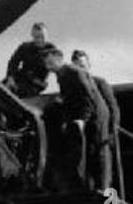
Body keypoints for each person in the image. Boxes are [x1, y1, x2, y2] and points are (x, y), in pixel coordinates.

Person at [44, 47, 100, 188]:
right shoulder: (62, 75)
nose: (47, 66)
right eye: (46, 63)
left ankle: (88, 186)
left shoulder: (74, 72)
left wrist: (83, 119)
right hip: (75, 119)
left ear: (59, 59)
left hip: (88, 119)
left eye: (50, 62)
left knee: (88, 155)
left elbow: (88, 96)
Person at [73, 50, 119, 192]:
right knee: (88, 176)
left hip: (102, 135)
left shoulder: (99, 83)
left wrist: (112, 133)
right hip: (86, 137)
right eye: (77, 67)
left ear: (88, 65)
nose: (81, 69)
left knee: (104, 174)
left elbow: (113, 109)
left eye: (83, 65)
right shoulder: (75, 90)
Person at [5, 22, 56, 98]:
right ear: (32, 36)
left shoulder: (51, 49)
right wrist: (10, 77)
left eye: (42, 37)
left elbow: (58, 69)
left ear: (46, 36)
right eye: (36, 37)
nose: (39, 40)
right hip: (21, 77)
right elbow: (13, 62)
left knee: (20, 91)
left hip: (36, 84)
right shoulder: (25, 47)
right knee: (1, 87)